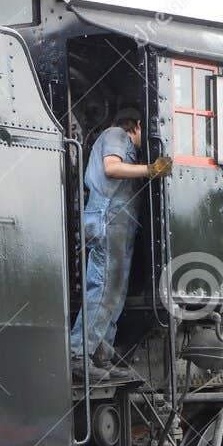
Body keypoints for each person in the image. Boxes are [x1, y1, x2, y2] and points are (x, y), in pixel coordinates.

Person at [69, 107, 171, 382]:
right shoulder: (116, 134)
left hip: (118, 224)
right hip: (108, 218)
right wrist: (150, 169)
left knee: (114, 290)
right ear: (137, 126)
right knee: (103, 287)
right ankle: (78, 353)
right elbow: (111, 167)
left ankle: (101, 355)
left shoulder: (122, 143)